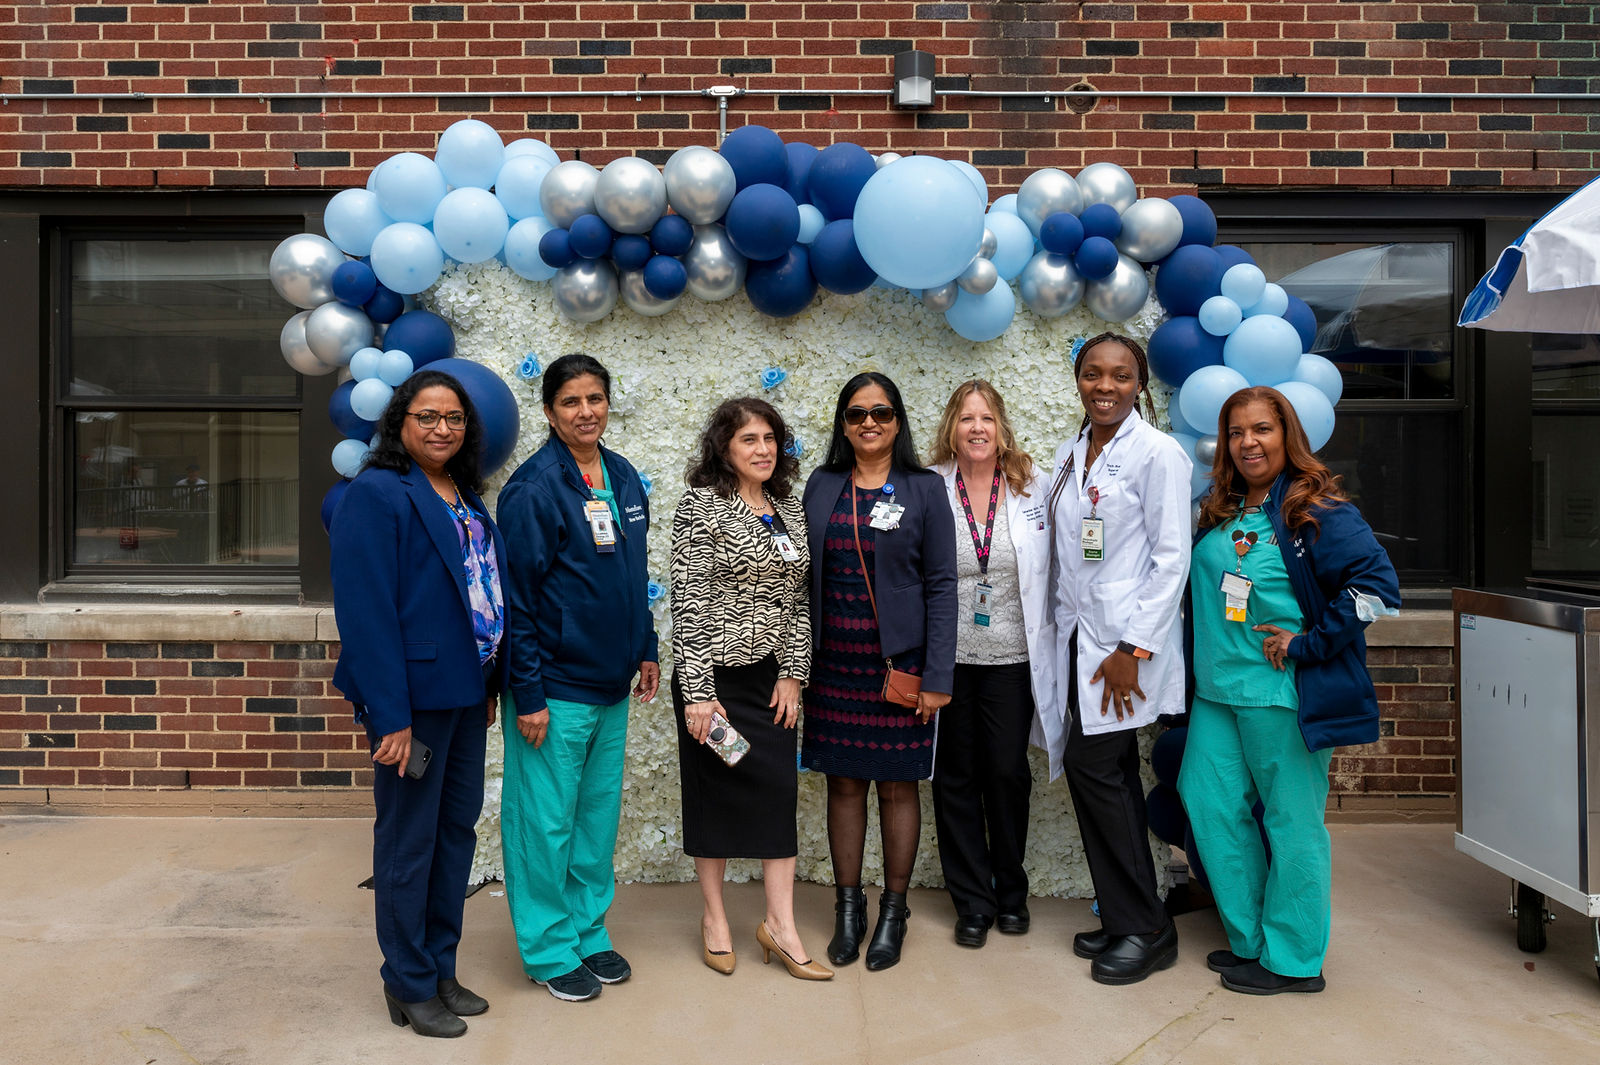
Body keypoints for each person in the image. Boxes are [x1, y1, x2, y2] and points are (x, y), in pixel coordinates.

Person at [1179, 385, 1399, 996]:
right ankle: (1252, 941)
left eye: (1262, 430)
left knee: (1291, 822)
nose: (1248, 442)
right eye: (1235, 432)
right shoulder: (1223, 508)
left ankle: (1296, 960)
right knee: (1209, 806)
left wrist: (1309, 644)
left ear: (1287, 436)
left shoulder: (1318, 510)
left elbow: (1379, 587)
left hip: (1281, 692)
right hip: (1217, 692)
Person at [330, 369, 507, 1038]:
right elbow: (366, 611)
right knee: (409, 841)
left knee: (454, 835)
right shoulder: (378, 492)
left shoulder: (462, 490)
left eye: (454, 417)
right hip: (415, 705)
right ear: (401, 422)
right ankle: (404, 981)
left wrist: (491, 683)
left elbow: (482, 589)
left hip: (466, 694)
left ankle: (438, 967)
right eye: (428, 415)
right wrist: (390, 715)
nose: (442, 427)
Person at [497, 353, 661, 1003]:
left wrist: (644, 645)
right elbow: (519, 602)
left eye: (595, 398)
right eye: (571, 401)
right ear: (548, 411)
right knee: (545, 823)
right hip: (554, 692)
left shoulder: (621, 476)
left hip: (611, 684)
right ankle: (547, 947)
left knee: (593, 822)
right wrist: (528, 692)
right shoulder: (533, 489)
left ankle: (588, 930)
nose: (585, 410)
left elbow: (631, 574)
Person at [800, 372, 957, 972]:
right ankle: (848, 909)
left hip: (901, 664)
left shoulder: (922, 489)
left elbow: (943, 585)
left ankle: (894, 910)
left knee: (897, 786)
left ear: (898, 422)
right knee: (842, 784)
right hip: (832, 664)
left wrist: (937, 675)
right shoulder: (821, 485)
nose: (870, 423)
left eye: (883, 413)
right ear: (843, 423)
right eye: (857, 413)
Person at [670, 397, 830, 981]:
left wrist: (793, 673)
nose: (762, 450)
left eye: (769, 439)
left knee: (775, 794)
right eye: (748, 441)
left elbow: (797, 601)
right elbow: (688, 605)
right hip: (712, 681)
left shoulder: (788, 505)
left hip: (769, 683)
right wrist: (696, 694)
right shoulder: (702, 506)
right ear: (724, 448)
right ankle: (715, 920)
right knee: (713, 794)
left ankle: (780, 927)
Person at [1050, 332, 1192, 985]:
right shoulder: (1072, 453)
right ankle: (1128, 913)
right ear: (1078, 380)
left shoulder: (1158, 453)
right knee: (1098, 773)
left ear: (1139, 384)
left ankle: (1147, 928)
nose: (1104, 386)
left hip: (1123, 647)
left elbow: (1172, 559)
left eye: (1120, 375)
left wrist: (1135, 648)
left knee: (1099, 769)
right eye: (1093, 374)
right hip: (1081, 639)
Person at [927, 380, 1057, 949]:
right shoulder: (929, 488)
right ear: (951, 430)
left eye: (985, 418)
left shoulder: (1033, 486)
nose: (976, 428)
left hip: (1012, 656)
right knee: (954, 778)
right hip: (948, 659)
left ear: (1000, 426)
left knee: (1006, 773)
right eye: (965, 418)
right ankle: (972, 902)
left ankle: (1011, 892)